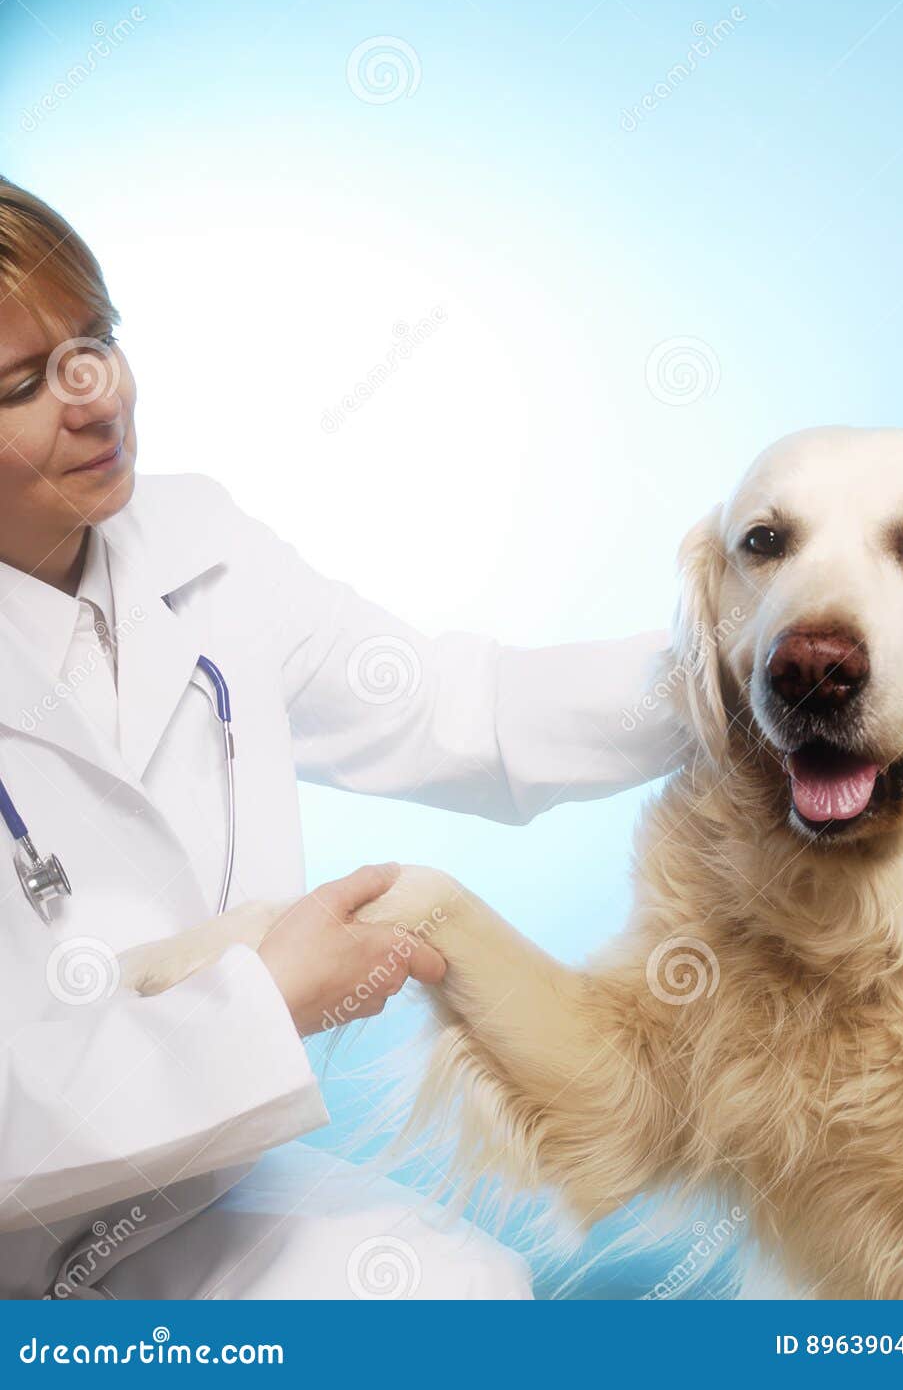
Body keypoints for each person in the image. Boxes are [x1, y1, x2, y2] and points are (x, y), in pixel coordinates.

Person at [0, 182, 689, 1301]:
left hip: (197, 1193)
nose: (93, 395)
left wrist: (734, 677)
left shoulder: (195, 541)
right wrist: (267, 1002)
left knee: (463, 1298)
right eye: (24, 383)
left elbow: (452, 710)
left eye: (97, 339)